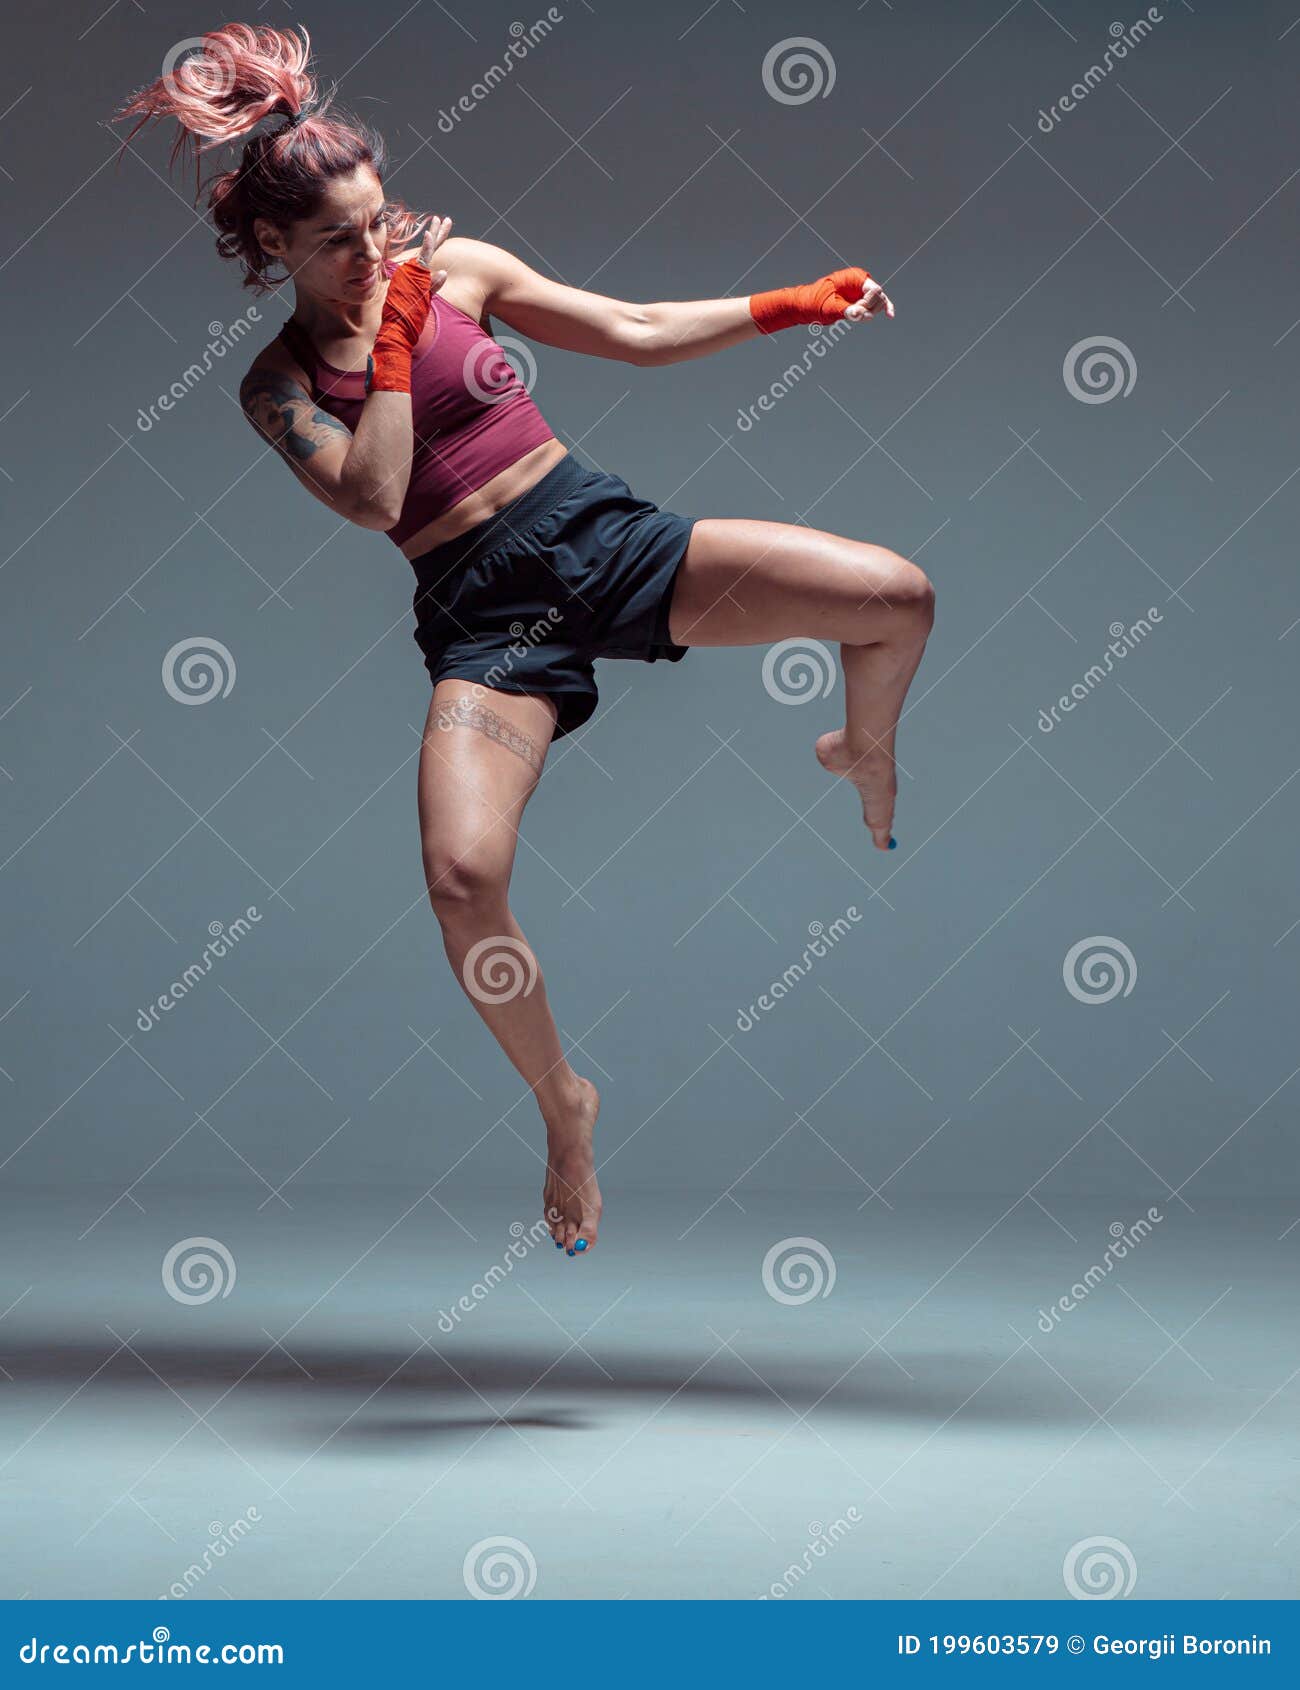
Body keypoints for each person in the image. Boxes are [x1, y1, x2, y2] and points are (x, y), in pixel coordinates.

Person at [112, 22, 936, 1261]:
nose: (369, 251)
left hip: (597, 534)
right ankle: (564, 1104)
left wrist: (792, 304)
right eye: (336, 238)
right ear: (274, 246)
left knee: (895, 596)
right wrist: (389, 338)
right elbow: (381, 497)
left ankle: (860, 751)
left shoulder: (464, 269)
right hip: (485, 617)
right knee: (460, 878)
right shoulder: (277, 384)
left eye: (377, 221)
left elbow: (641, 329)